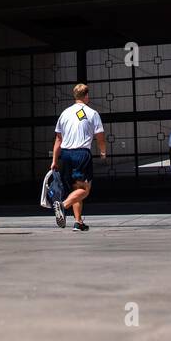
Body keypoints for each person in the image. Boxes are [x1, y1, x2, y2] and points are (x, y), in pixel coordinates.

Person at [50, 83, 107, 231]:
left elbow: (58, 139)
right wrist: (103, 151)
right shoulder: (92, 113)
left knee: (75, 189)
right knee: (84, 189)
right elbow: (100, 136)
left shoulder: (64, 113)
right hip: (81, 153)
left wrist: (54, 160)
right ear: (86, 96)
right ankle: (63, 206)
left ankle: (78, 222)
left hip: (66, 154)